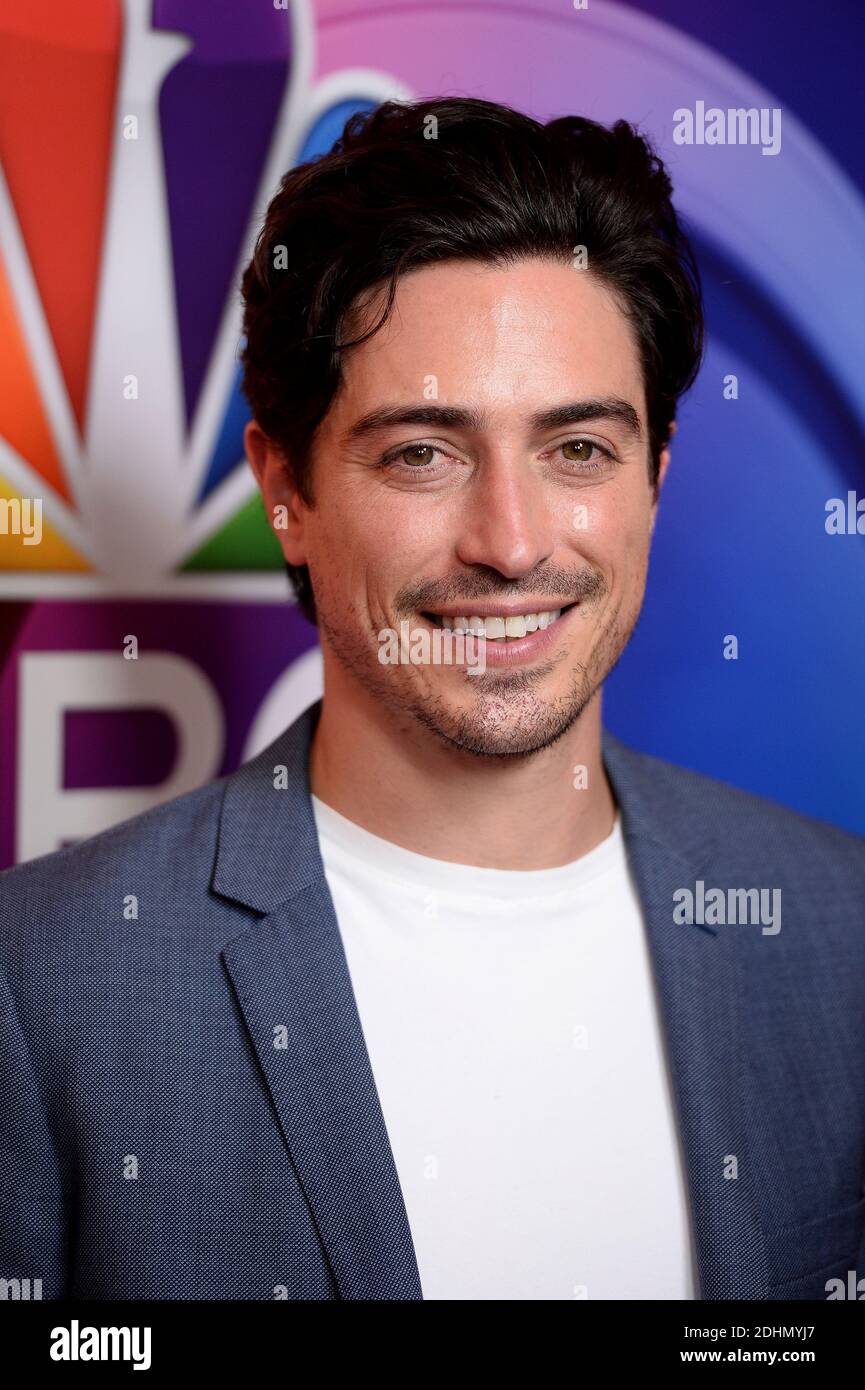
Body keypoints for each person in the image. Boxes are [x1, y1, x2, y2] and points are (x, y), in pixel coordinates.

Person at [2, 97, 864, 1302]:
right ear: (283, 491)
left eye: (577, 448)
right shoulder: (38, 983)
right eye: (422, 452)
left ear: (655, 477)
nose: (510, 544)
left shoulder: (839, 929)